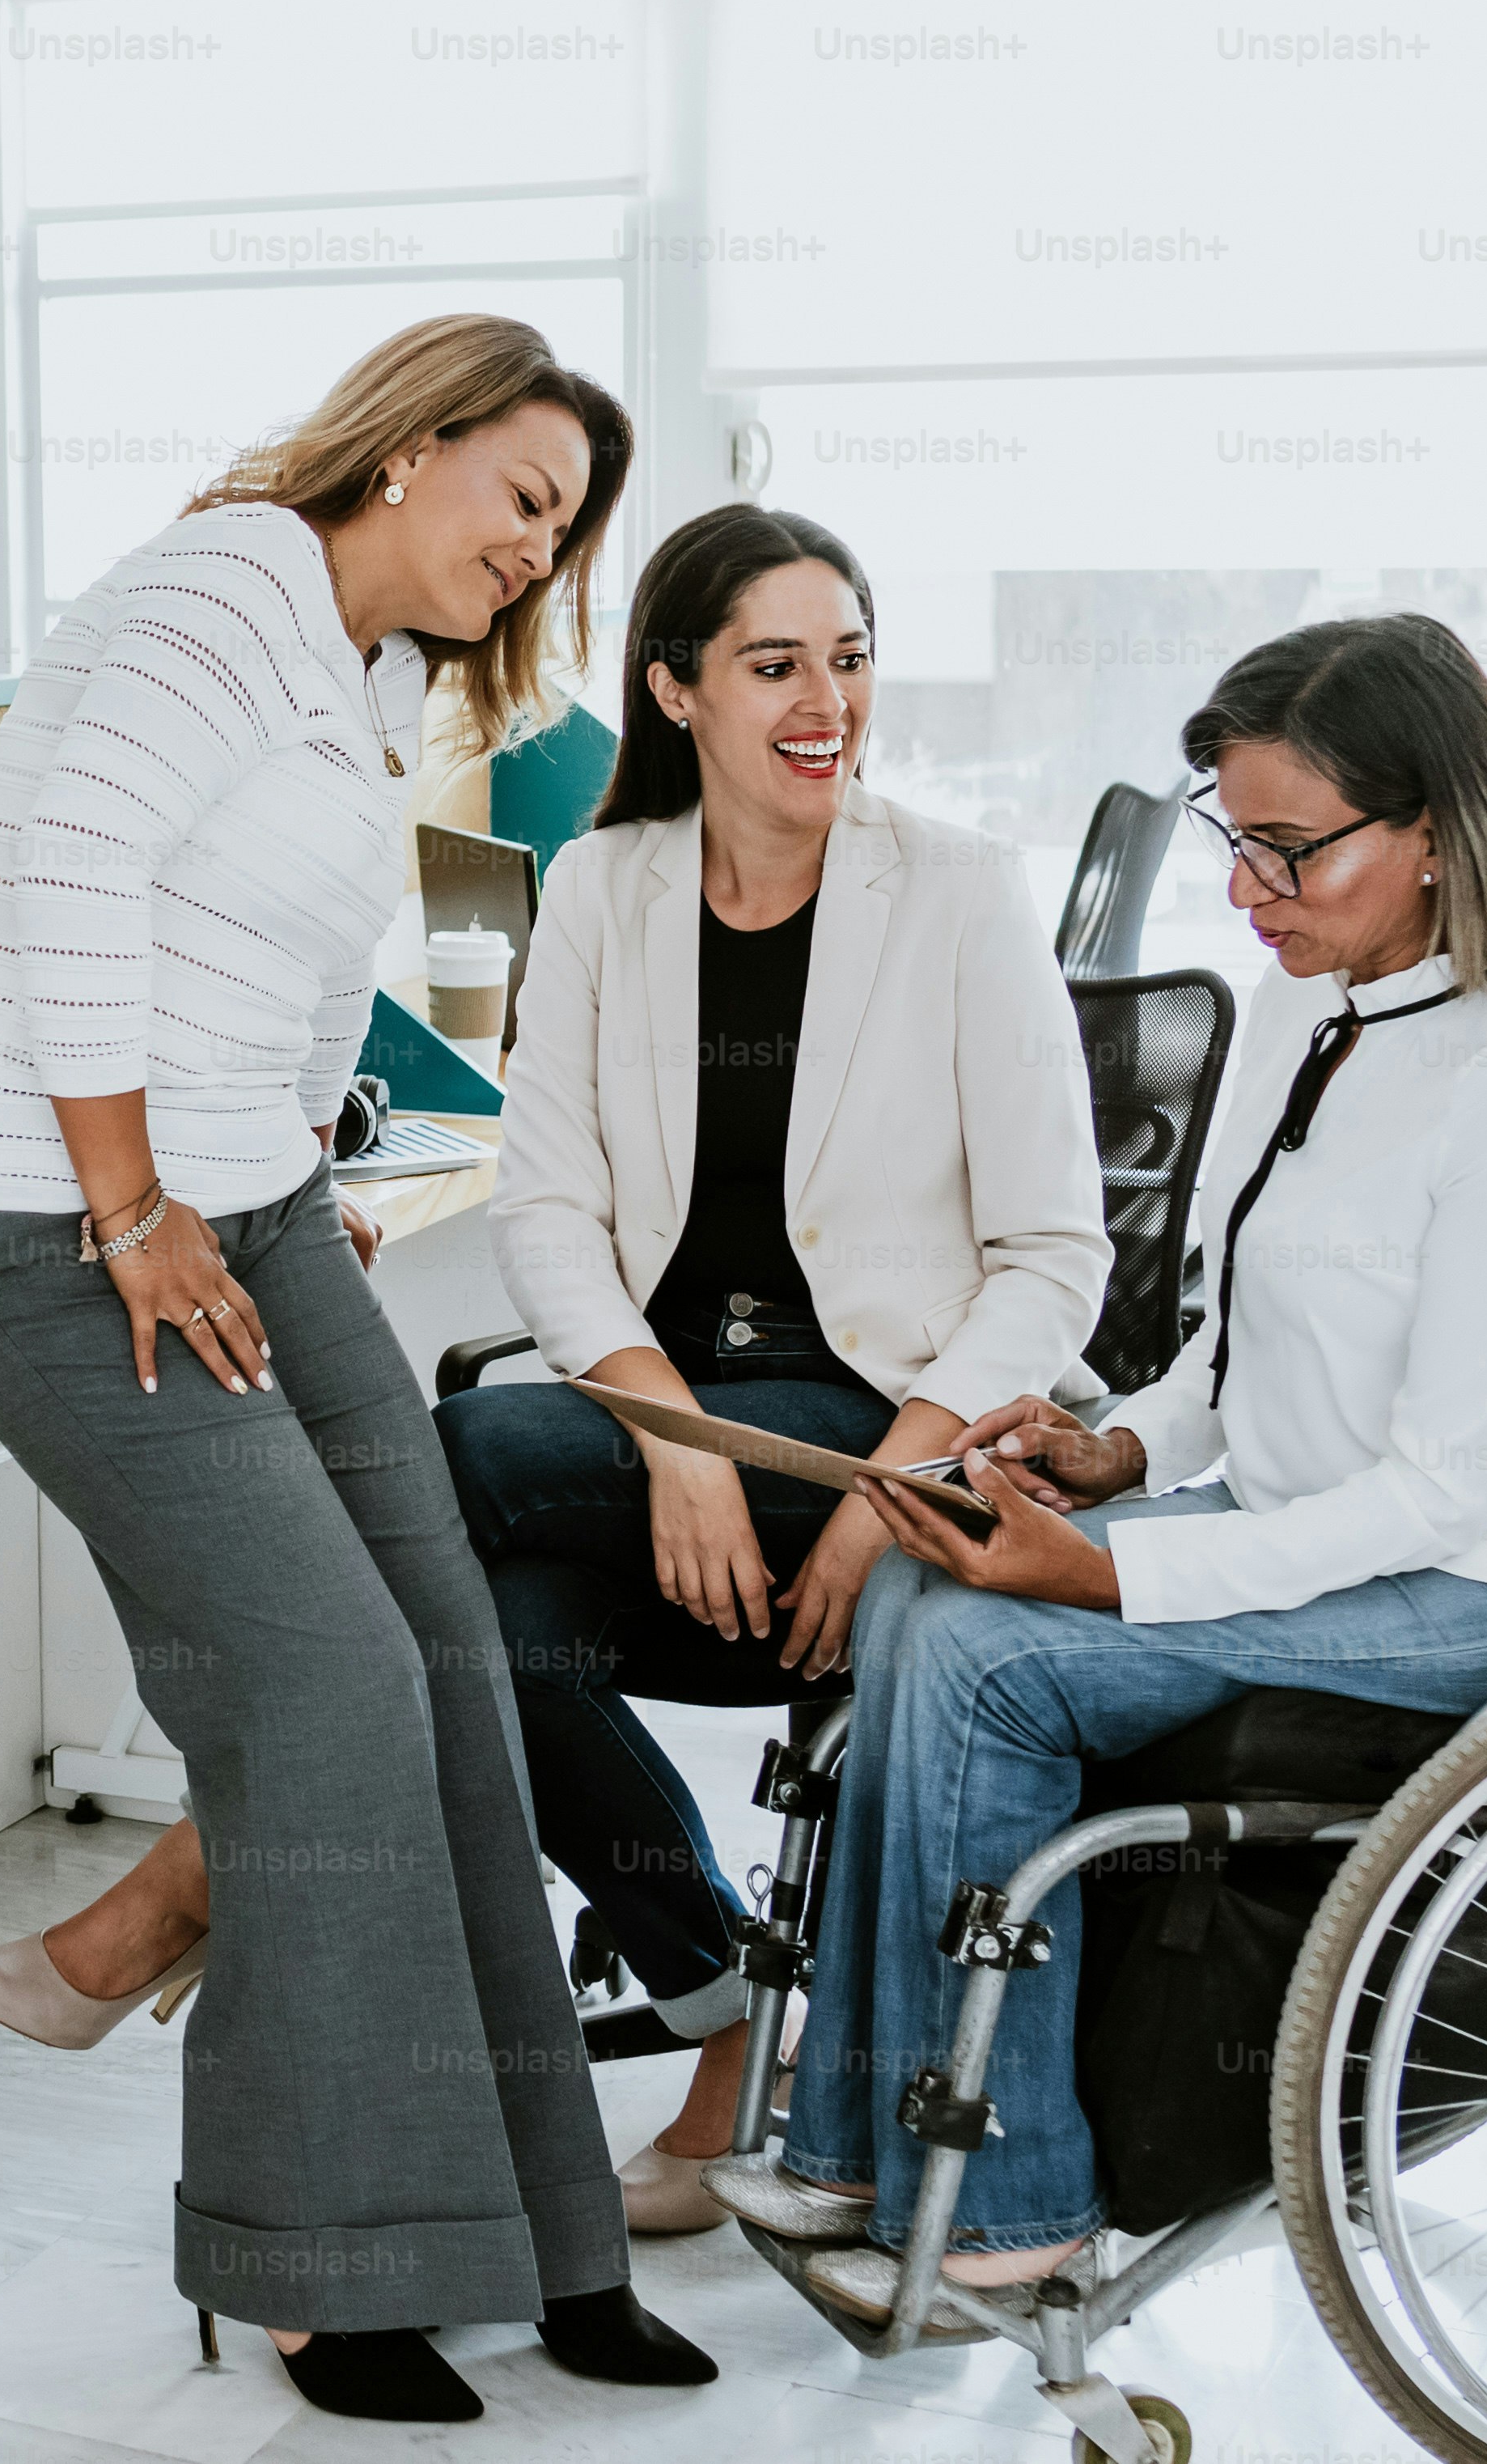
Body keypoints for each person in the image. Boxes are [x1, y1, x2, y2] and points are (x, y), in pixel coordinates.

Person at [0, 316, 711, 2425]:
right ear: (410, 452)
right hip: (39, 1221)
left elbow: (287, 944)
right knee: (322, 1690)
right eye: (525, 499)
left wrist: (299, 1161)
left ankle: (542, 2238)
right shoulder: (220, 585)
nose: (541, 553)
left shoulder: (364, 665)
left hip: (239, 1207)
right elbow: (63, 875)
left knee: (447, 1659)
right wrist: (140, 1201)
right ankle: (317, 2269)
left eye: (568, 533)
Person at [714, 612, 1487, 2310]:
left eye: (1288, 847)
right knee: (915, 1600)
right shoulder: (1305, 1006)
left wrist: (1106, 1571)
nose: (1245, 886)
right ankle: (864, 2150)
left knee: (993, 1653)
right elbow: (1230, 1363)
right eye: (1228, 836)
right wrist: (1111, 1453)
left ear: (1438, 834)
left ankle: (1009, 2208)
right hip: (1321, 1524)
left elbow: (1438, 1496)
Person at [433, 502, 1112, 2234]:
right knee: (492, 1629)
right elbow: (547, 1208)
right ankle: (725, 2002)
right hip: (679, 1450)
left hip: (868, 1432)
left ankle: (205, 1877)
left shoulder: (955, 893)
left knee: (438, 1456)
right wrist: (664, 1444)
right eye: (773, 665)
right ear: (672, 692)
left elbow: (1054, 1254)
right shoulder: (601, 887)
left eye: (849, 659)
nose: (826, 700)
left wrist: (900, 1479)